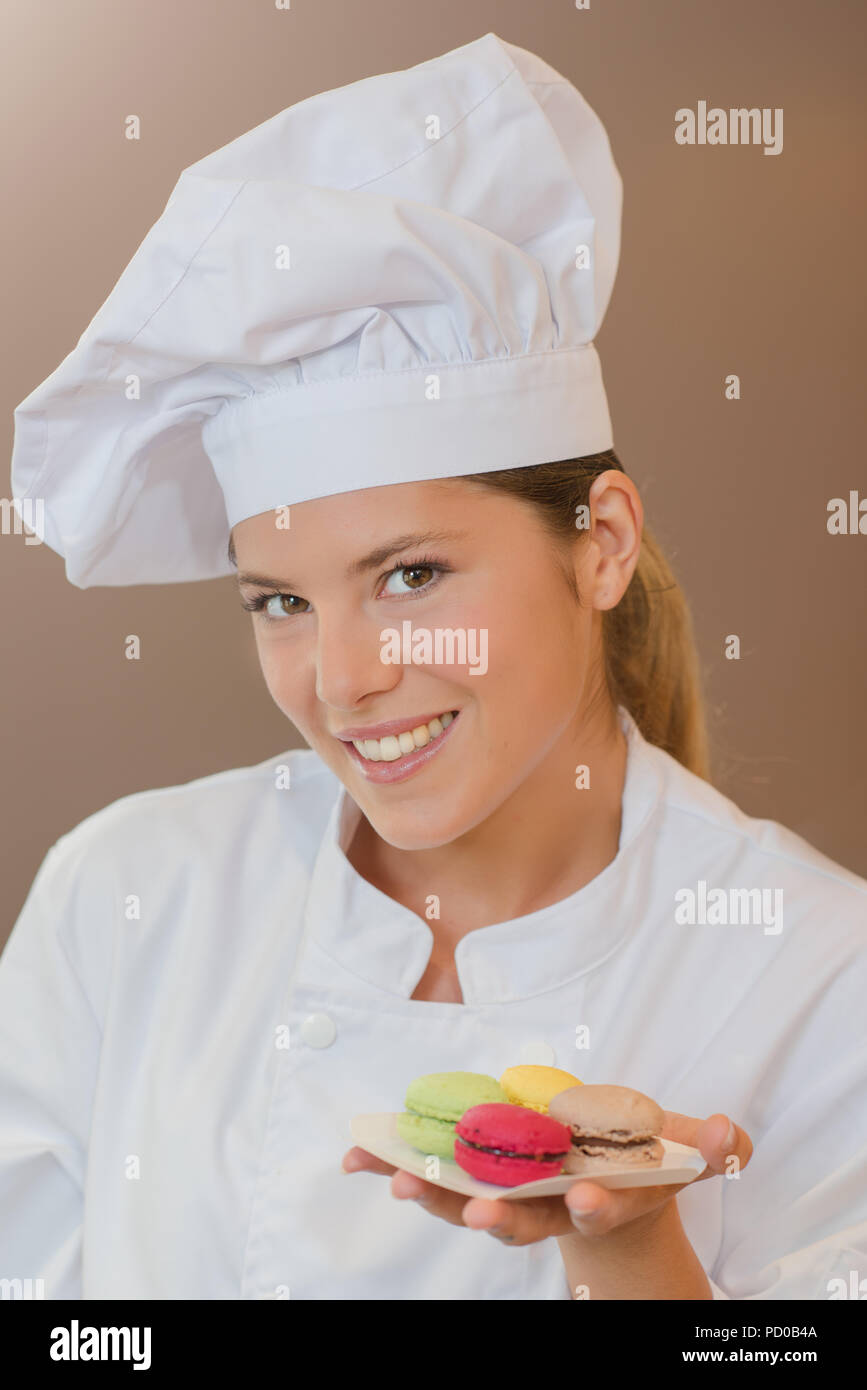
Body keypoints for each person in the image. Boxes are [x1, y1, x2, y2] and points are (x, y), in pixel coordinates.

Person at [2, 32, 865, 1301]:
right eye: (283, 601)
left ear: (603, 544)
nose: (341, 679)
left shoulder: (815, 974)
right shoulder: (125, 901)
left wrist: (629, 1247)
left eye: (410, 576)